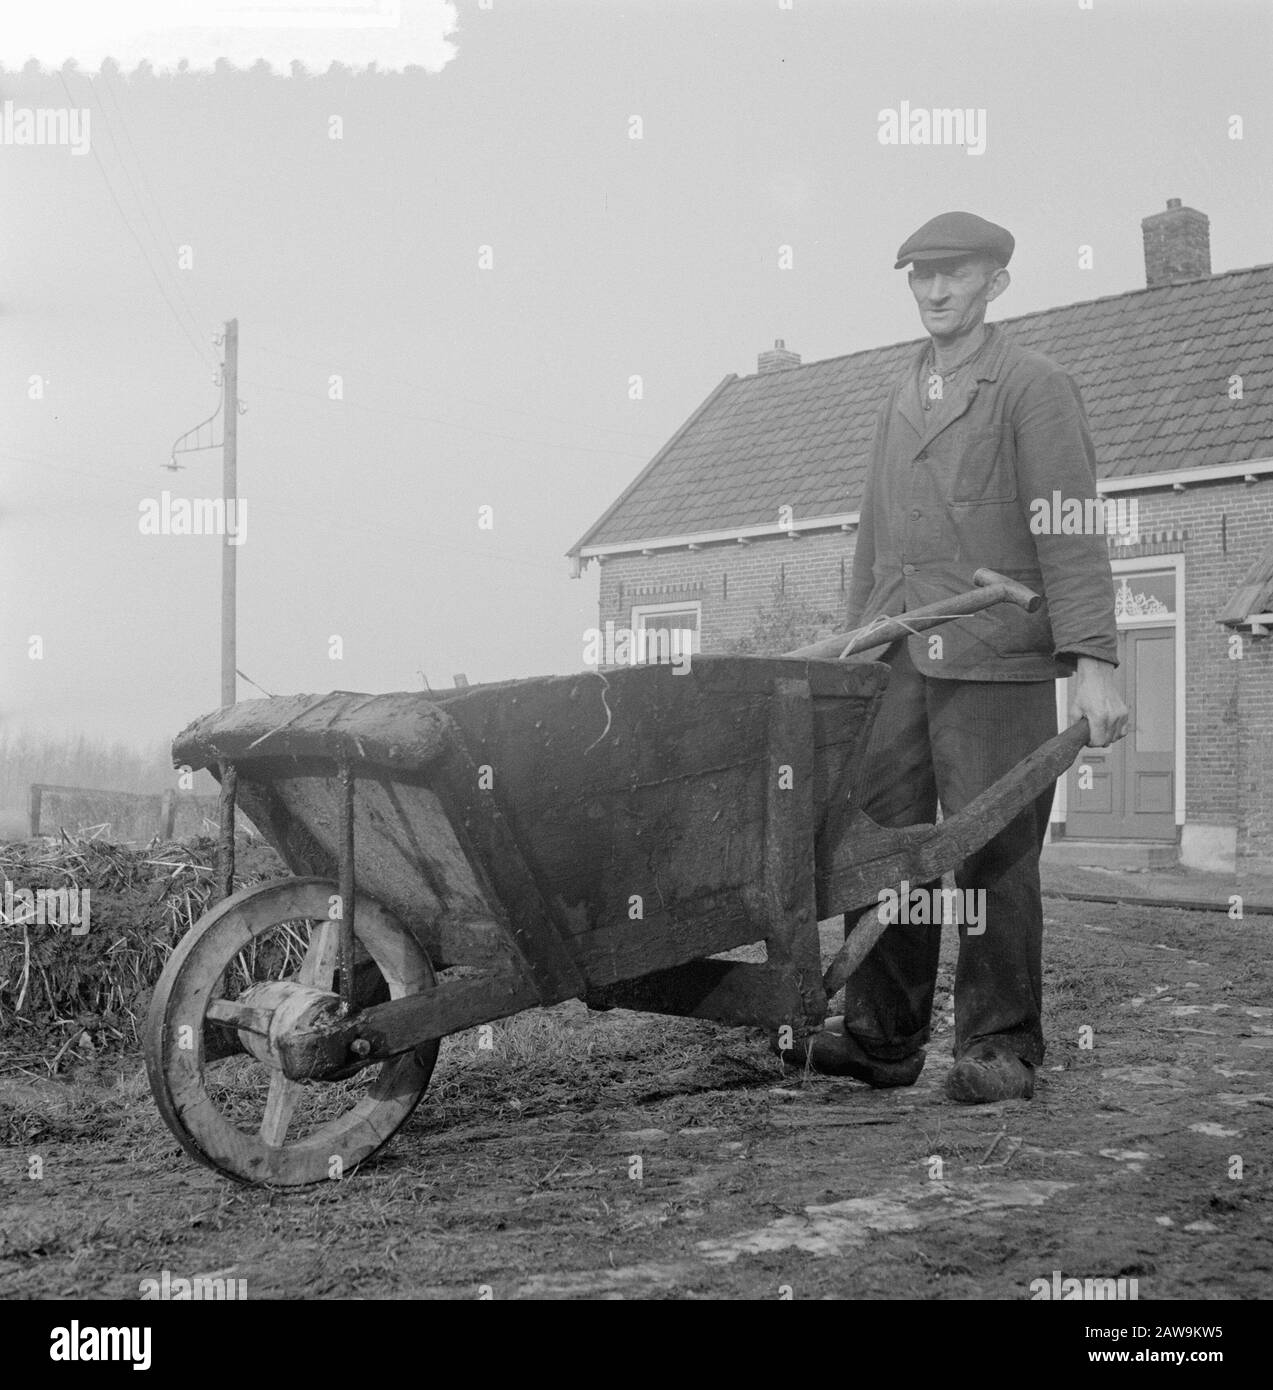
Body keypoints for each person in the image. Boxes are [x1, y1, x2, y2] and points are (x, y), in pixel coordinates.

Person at [795, 211, 1129, 1102]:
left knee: (992, 856)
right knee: (883, 847)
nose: (936, 291)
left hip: (996, 661)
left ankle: (1000, 1045)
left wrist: (1092, 656)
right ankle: (880, 1037)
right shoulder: (898, 396)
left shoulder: (1033, 385)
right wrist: (854, 647)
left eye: (955, 274)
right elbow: (874, 540)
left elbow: (1070, 527)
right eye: (921, 276)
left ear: (996, 283)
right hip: (895, 662)